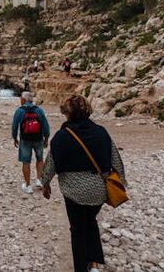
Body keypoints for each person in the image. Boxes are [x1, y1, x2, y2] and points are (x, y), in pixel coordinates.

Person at [41, 94, 127, 272]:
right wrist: (121, 182)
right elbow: (115, 159)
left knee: (77, 229)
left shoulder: (61, 137)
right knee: (91, 220)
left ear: (67, 114)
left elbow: (51, 162)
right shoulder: (101, 132)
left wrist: (45, 182)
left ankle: (81, 268)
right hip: (99, 189)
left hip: (74, 192)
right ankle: (94, 263)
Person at [11, 91, 50, 194]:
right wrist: (46, 139)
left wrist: (14, 138)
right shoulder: (39, 110)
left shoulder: (19, 111)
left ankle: (28, 186)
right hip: (38, 139)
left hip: (25, 140)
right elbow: (46, 126)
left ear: (23, 100)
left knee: (26, 162)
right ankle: (39, 180)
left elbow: (14, 126)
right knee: (40, 159)